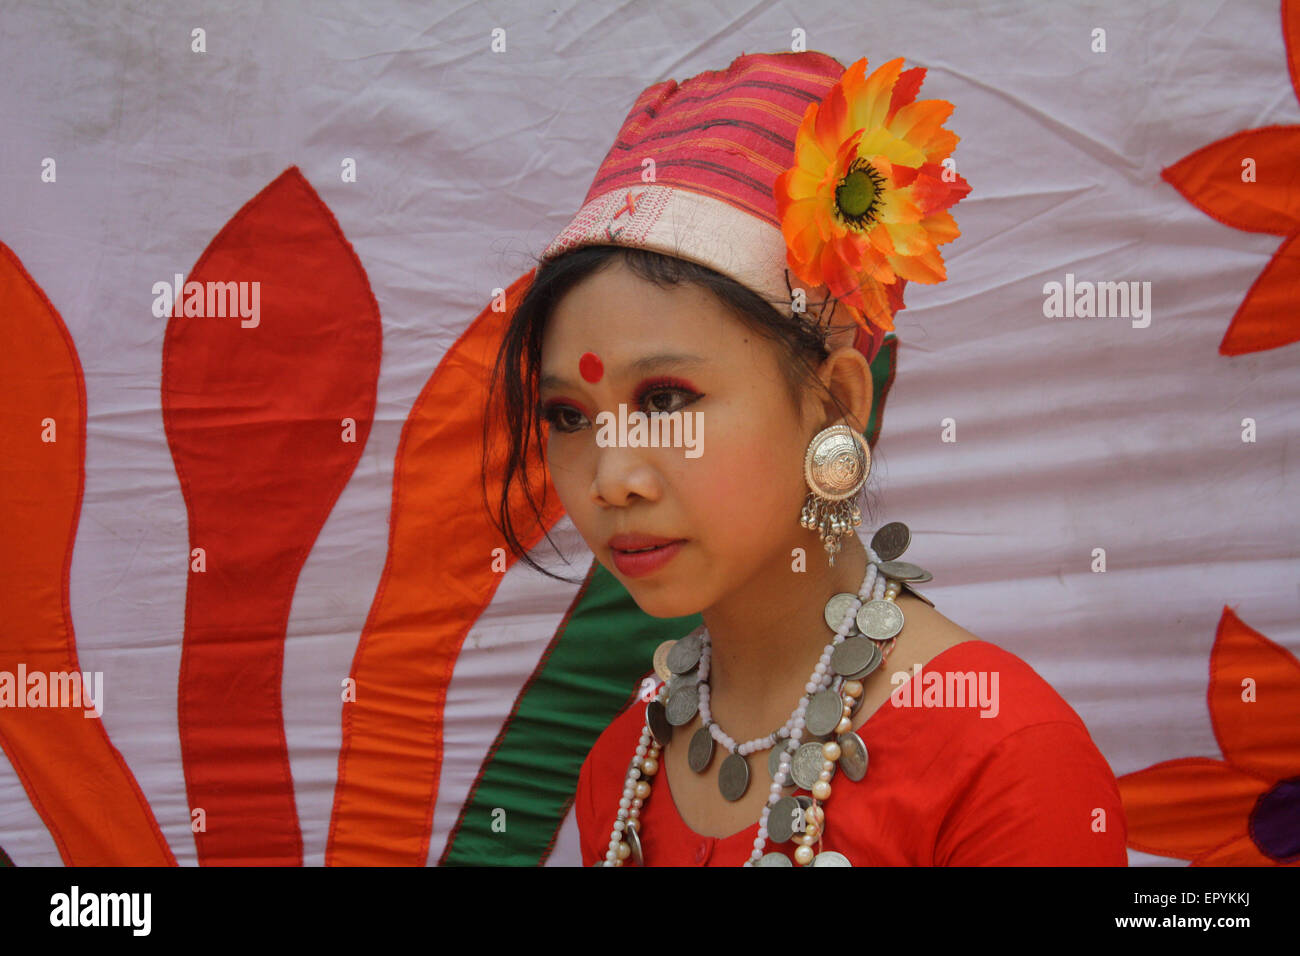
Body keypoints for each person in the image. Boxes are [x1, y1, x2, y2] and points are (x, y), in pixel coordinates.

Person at [483, 50, 1127, 866]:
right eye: (568, 415)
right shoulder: (622, 772)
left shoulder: (1002, 758)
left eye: (666, 401)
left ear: (837, 405)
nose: (612, 478)